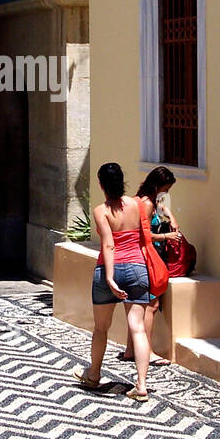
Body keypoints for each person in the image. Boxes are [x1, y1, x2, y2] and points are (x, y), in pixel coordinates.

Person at [75, 162, 153, 402]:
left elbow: (108, 244)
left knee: (101, 328)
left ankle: (94, 375)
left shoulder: (101, 211)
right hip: (138, 268)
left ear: (101, 184)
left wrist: (109, 277)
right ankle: (141, 385)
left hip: (109, 268)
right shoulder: (138, 205)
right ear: (122, 180)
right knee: (138, 327)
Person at [120, 165, 183, 367]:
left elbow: (161, 207)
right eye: (166, 188)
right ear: (157, 186)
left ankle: (131, 350)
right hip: (147, 255)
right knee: (151, 304)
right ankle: (148, 351)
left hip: (136, 256)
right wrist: (167, 236)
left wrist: (171, 216)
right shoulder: (146, 204)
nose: (166, 193)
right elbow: (142, 235)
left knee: (137, 305)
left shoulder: (143, 199)